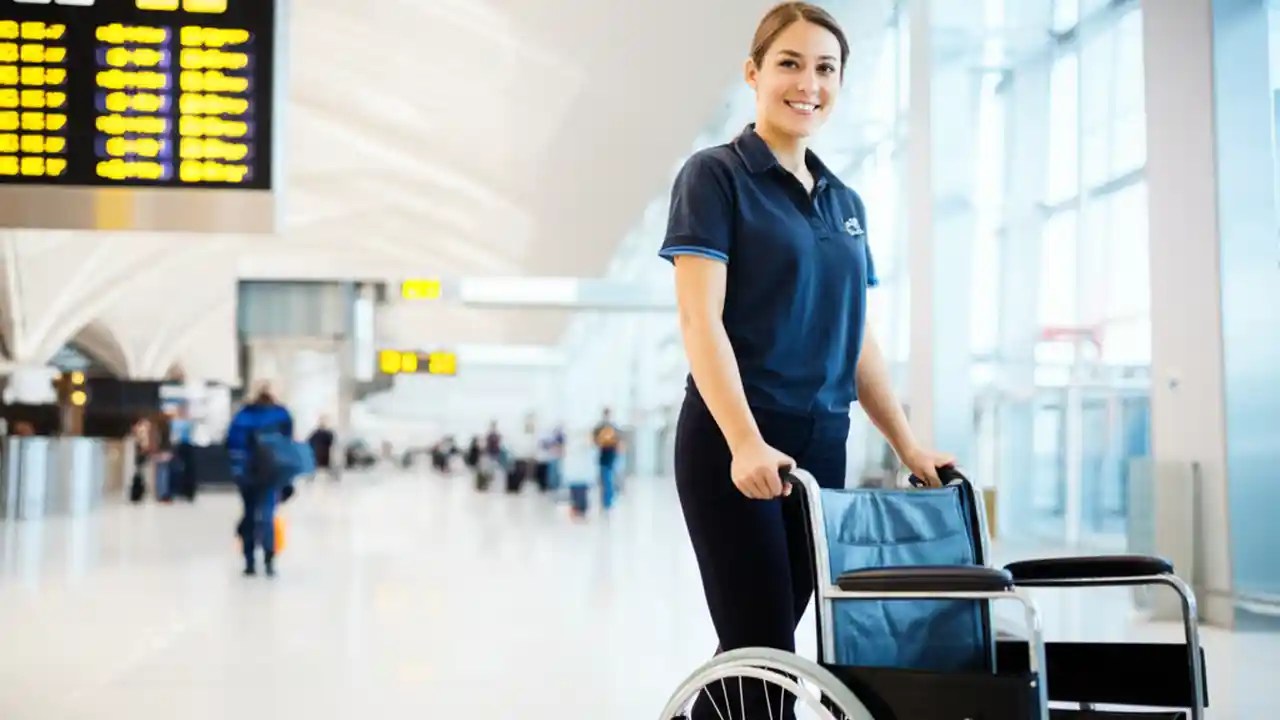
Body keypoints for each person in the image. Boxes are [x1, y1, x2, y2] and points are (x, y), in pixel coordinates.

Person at [659, 4, 955, 717]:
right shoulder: (715, 177)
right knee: (761, 649)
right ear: (754, 74)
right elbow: (701, 322)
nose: (808, 83)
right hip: (739, 441)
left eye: (826, 68)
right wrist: (743, 441)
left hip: (823, 446)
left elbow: (858, 342)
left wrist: (908, 444)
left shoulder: (845, 201)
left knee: (764, 657)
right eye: (789, 63)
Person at [226, 382, 295, 578]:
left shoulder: (244, 415)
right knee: (266, 515)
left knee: (249, 514)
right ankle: (268, 558)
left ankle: (249, 561)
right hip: (272, 474)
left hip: (248, 474)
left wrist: (238, 470)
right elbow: (287, 446)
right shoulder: (282, 415)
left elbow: (233, 444)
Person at [591, 408, 623, 510]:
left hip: (611, 456)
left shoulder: (613, 427)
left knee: (609, 479)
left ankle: (608, 502)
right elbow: (595, 440)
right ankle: (606, 501)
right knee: (605, 479)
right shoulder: (600, 428)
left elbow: (619, 441)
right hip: (604, 456)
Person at [307, 417, 337, 481]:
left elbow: (309, 441)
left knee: (316, 466)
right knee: (326, 466)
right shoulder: (328, 433)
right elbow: (331, 441)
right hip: (324, 452)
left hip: (318, 452)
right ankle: (333, 478)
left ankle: (310, 478)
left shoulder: (316, 433)